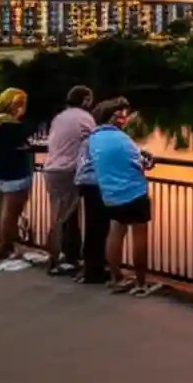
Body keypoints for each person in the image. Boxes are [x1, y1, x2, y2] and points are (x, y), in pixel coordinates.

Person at [87, 97, 162, 297]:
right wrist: (147, 160)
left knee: (114, 234)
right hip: (134, 193)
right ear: (113, 117)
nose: (124, 118)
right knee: (139, 237)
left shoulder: (93, 139)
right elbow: (140, 163)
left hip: (110, 195)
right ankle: (140, 283)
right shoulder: (122, 139)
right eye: (121, 115)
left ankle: (116, 278)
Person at [42, 85, 94, 276]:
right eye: (90, 99)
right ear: (85, 100)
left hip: (51, 169)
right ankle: (54, 261)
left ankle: (70, 256)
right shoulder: (84, 117)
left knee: (65, 216)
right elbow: (95, 141)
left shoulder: (60, 116)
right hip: (67, 171)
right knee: (60, 218)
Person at [0, 89, 34, 270]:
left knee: (6, 211)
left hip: (0, 171)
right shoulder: (13, 126)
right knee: (11, 213)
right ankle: (7, 247)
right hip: (15, 173)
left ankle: (7, 245)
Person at [74, 109, 110, 286]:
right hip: (97, 184)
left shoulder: (90, 139)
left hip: (85, 183)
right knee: (99, 228)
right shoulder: (102, 139)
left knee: (93, 227)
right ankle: (96, 270)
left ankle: (91, 269)